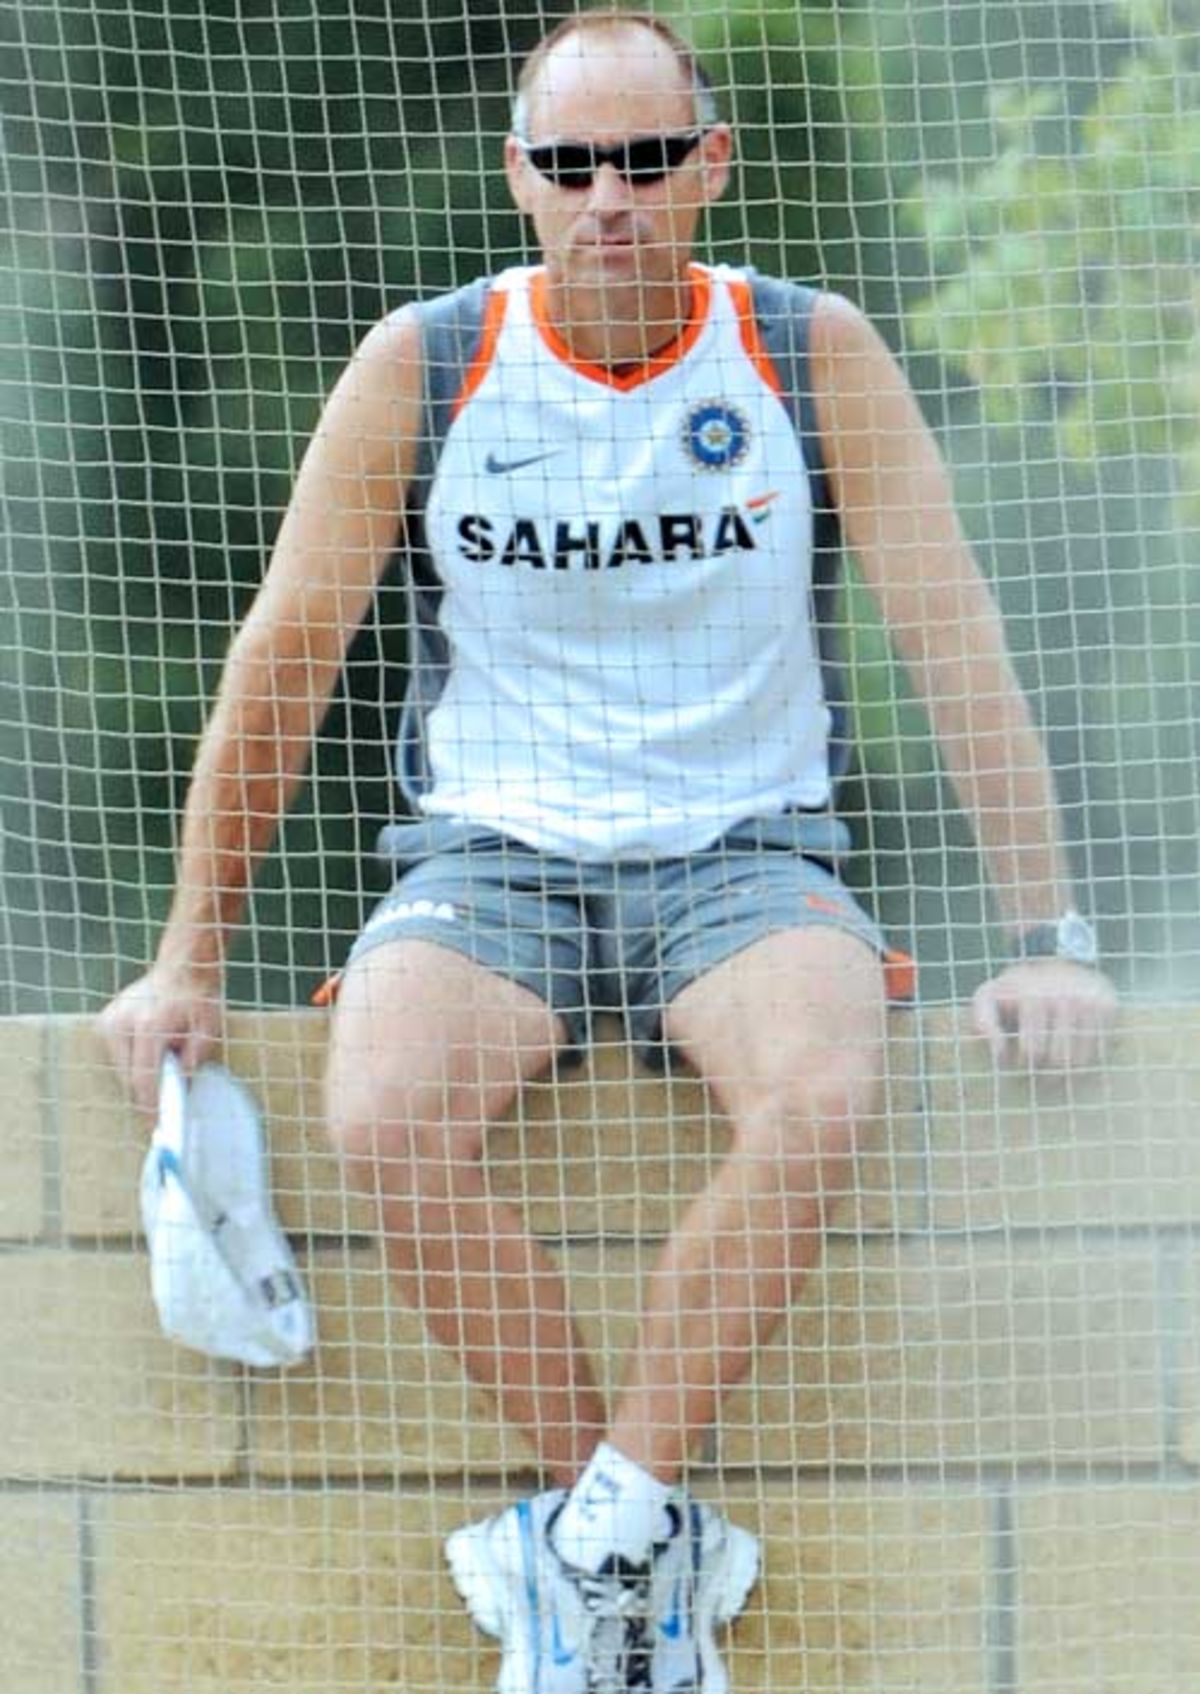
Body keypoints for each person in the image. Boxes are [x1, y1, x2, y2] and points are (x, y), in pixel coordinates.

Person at [100, 10, 1118, 1692]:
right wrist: (188, 954)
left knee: (823, 1087)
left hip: (748, 848)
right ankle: (636, 1561)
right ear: (520, 177)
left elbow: (953, 634)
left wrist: (1055, 932)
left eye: (647, 159)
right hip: (491, 856)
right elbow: (282, 659)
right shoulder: (427, 362)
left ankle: (592, 1535)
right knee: (378, 1108)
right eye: (572, 164)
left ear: (710, 167)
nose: (611, 198)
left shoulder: (805, 350)